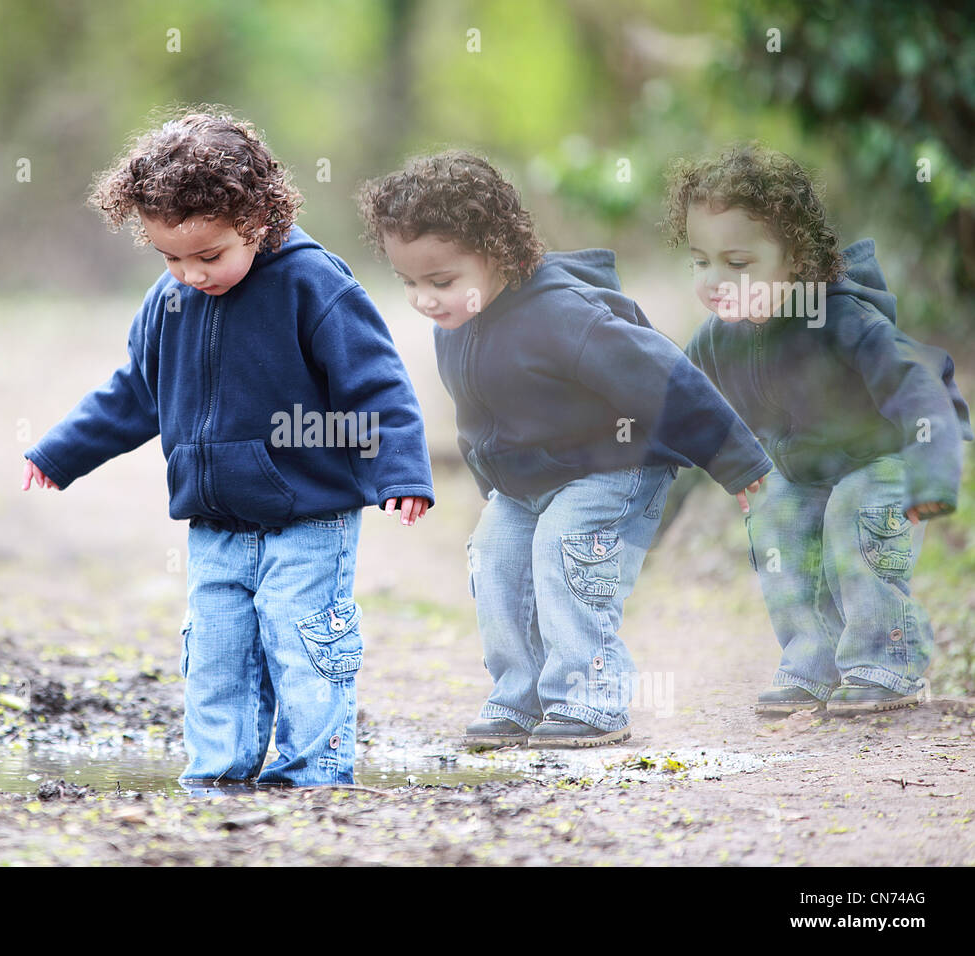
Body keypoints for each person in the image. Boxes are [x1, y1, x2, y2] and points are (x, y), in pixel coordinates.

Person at [23, 111, 434, 786]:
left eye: (209, 256)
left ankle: (314, 778)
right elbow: (134, 392)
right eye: (171, 258)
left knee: (304, 646)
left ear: (260, 220)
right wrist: (61, 452)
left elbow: (377, 384)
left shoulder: (312, 283)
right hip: (215, 525)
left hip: (310, 516)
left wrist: (401, 470)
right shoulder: (170, 301)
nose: (191, 275)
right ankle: (218, 775)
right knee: (216, 656)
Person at [358, 150, 771, 748]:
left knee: (565, 550)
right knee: (495, 560)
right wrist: (491, 482)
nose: (425, 298)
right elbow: (480, 416)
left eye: (441, 281)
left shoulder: (562, 315)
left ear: (497, 252)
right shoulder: (457, 324)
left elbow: (662, 375)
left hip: (614, 465)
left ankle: (591, 699)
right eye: (409, 283)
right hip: (526, 482)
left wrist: (732, 458)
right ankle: (519, 697)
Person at [664, 142, 972, 715]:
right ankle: (814, 660)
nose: (715, 280)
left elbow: (920, 384)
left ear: (796, 258)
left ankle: (886, 659)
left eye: (738, 262)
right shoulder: (717, 338)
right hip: (804, 471)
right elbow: (677, 408)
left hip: (887, 463)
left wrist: (932, 474)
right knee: (775, 514)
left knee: (852, 515)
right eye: (700, 260)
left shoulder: (840, 317)